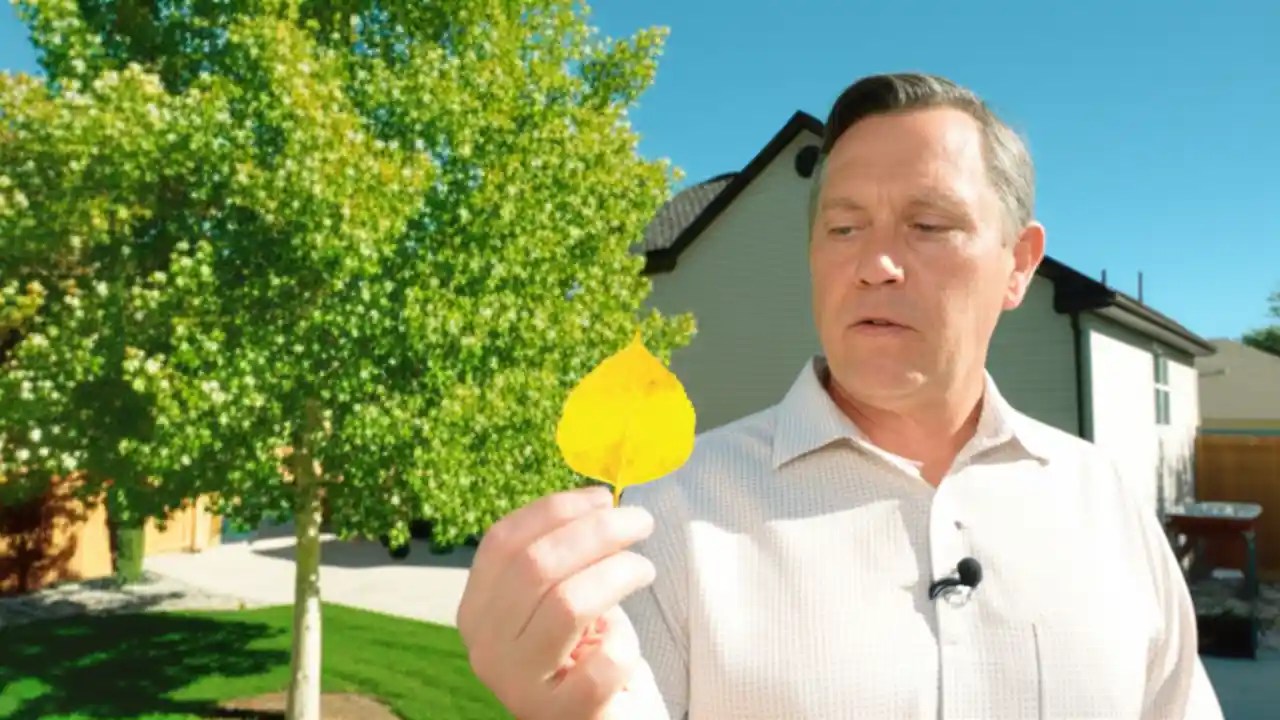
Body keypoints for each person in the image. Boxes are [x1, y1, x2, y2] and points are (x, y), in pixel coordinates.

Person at [455, 72, 1225, 719]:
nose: (876, 264)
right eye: (844, 228)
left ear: (1019, 264)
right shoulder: (674, 520)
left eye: (927, 223)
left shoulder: (1106, 502)